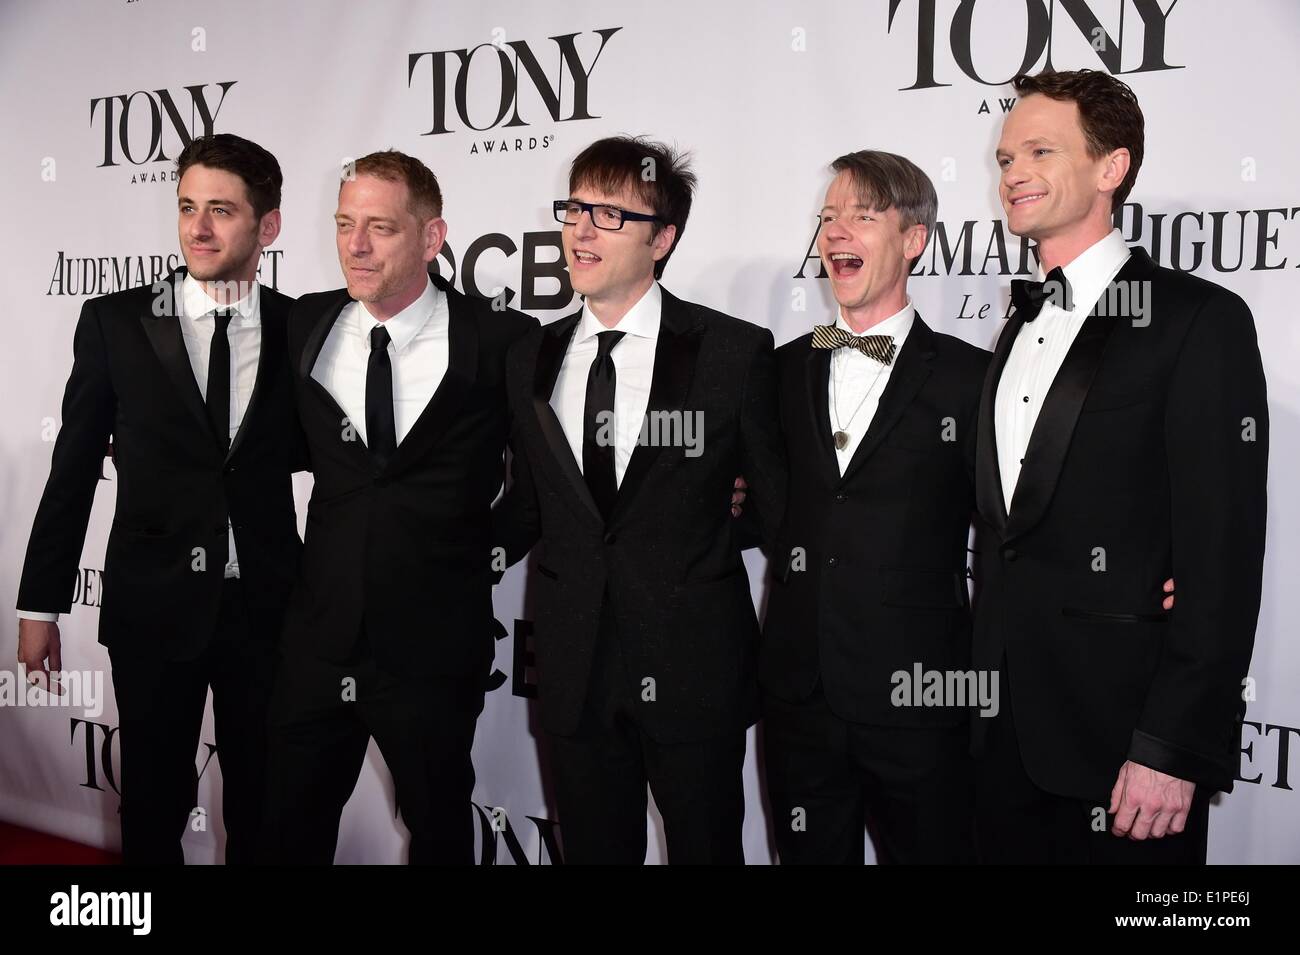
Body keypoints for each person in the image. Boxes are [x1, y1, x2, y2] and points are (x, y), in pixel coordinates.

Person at [973, 69, 1268, 863]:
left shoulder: (1197, 319)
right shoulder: (1015, 326)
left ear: (1112, 168)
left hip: (1127, 747)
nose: (1013, 175)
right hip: (997, 740)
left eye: (1040, 150)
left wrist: (1173, 744)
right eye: (1005, 159)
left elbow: (1223, 556)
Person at [493, 136, 786, 863]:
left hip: (693, 663)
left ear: (663, 239)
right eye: (576, 208)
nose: (582, 229)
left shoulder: (734, 351)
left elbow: (776, 507)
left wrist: (729, 509)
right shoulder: (530, 354)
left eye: (610, 214)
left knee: (707, 848)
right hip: (571, 663)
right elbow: (527, 506)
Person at [17, 133, 301, 864]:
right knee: (151, 805)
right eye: (186, 208)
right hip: (154, 607)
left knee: (266, 806)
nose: (198, 228)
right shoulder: (116, 322)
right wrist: (38, 605)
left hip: (268, 609)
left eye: (221, 211)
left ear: (267, 226)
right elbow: (74, 469)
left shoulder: (303, 326)